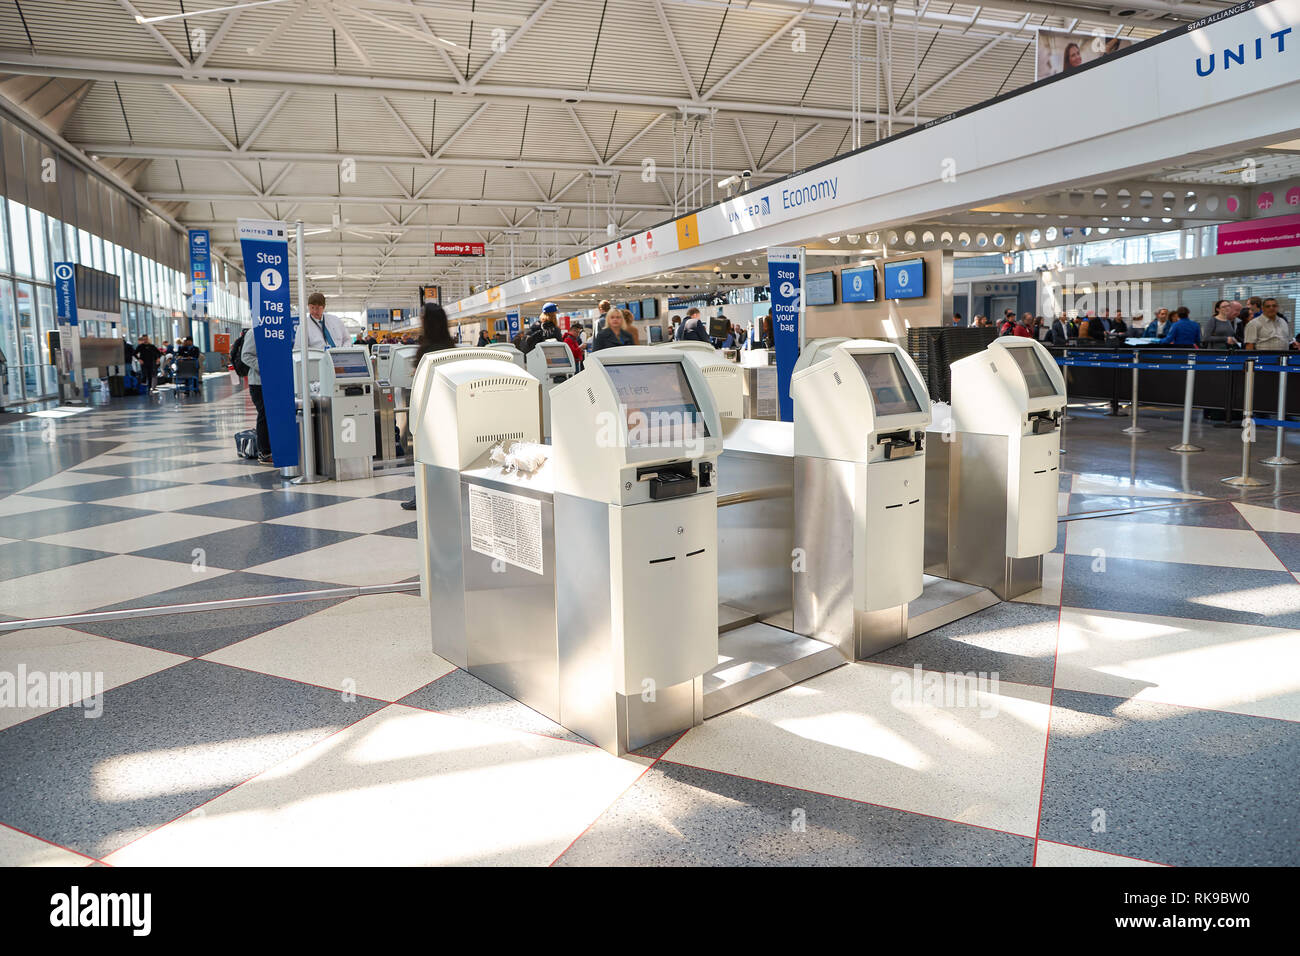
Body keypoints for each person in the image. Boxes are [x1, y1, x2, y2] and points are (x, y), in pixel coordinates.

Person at [401, 303, 456, 511]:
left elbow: (418, 378)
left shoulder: (425, 347)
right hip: (446, 407)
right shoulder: (450, 345)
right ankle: (442, 493)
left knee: (420, 451)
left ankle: (421, 496)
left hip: (427, 408)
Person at [239, 327, 274, 463]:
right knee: (264, 414)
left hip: (276, 381)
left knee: (272, 415)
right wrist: (266, 366)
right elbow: (245, 356)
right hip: (259, 383)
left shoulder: (278, 330)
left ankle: (273, 448)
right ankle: (264, 452)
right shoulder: (255, 332)